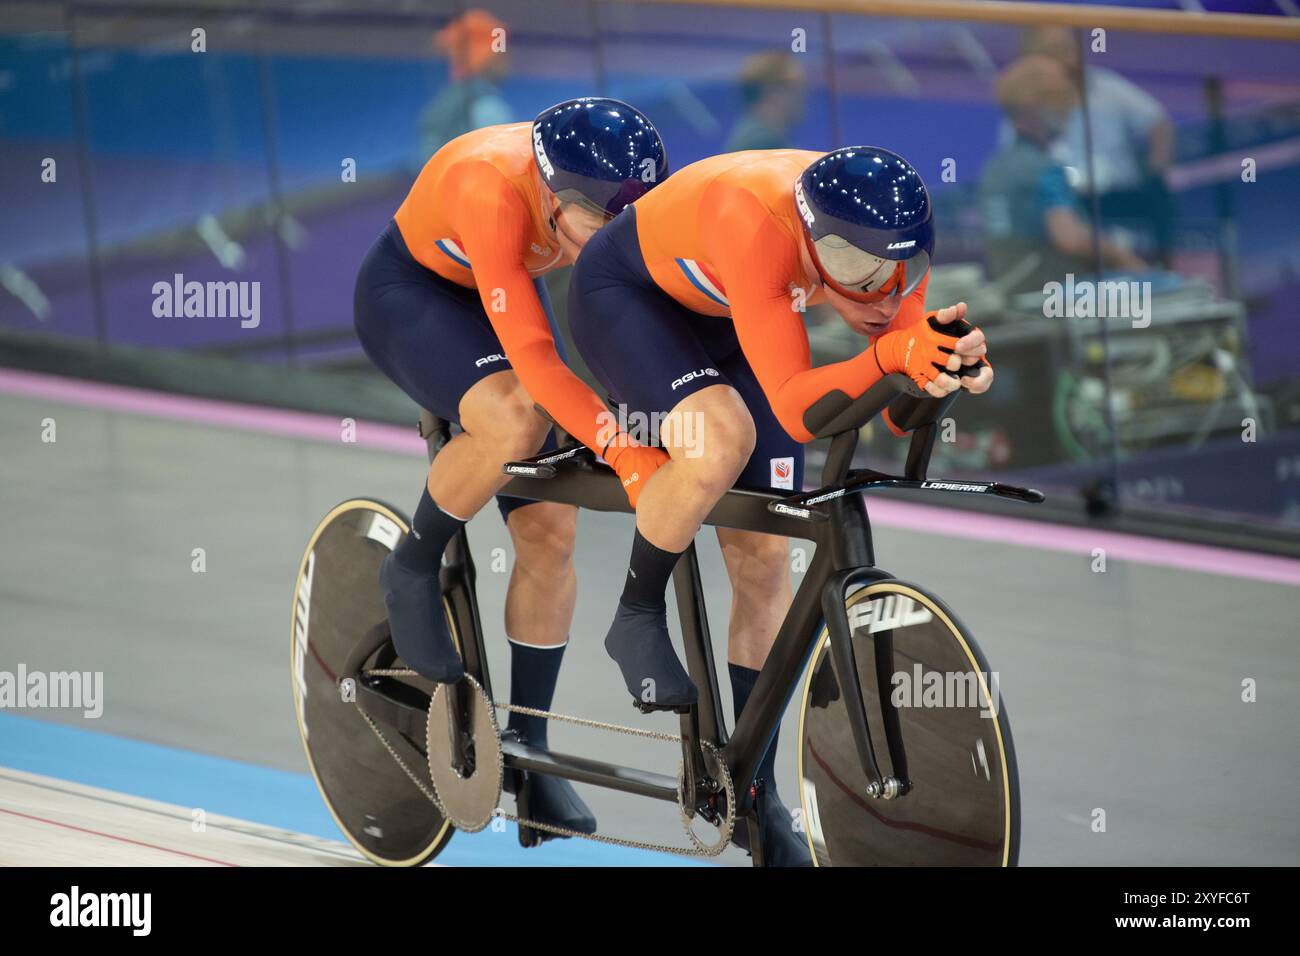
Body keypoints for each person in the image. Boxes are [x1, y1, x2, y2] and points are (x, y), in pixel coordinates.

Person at [566, 146, 993, 864]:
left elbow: (891, 411)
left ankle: (753, 792)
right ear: (814, 240)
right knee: (722, 436)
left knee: (766, 556)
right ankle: (635, 612)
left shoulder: (883, 247)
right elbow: (801, 411)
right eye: (859, 276)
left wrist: (942, 368)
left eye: (900, 273)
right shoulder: (757, 221)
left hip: (731, 308)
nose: (887, 296)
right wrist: (894, 357)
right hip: (628, 302)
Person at [353, 97, 669, 841]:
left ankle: (530, 756)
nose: (618, 236)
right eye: (602, 222)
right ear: (553, 195)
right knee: (516, 417)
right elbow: (535, 364)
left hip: (504, 287)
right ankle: (412, 564)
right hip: (416, 294)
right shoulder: (489, 188)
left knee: (551, 529)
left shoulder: (599, 196)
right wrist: (624, 450)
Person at [982, 55, 1148, 295]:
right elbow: (1069, 238)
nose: (1068, 111)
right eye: (1059, 103)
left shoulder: (994, 170)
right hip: (1053, 298)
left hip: (1015, 294)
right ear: (1032, 111)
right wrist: (1123, 257)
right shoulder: (1045, 171)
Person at [419, 9, 514, 158]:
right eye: (500, 53)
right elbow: (502, 160)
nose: (506, 61)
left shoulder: (447, 104)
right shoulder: (485, 105)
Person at [724, 51, 806, 152]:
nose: (803, 97)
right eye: (796, 89)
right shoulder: (763, 142)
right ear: (773, 93)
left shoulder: (754, 135)